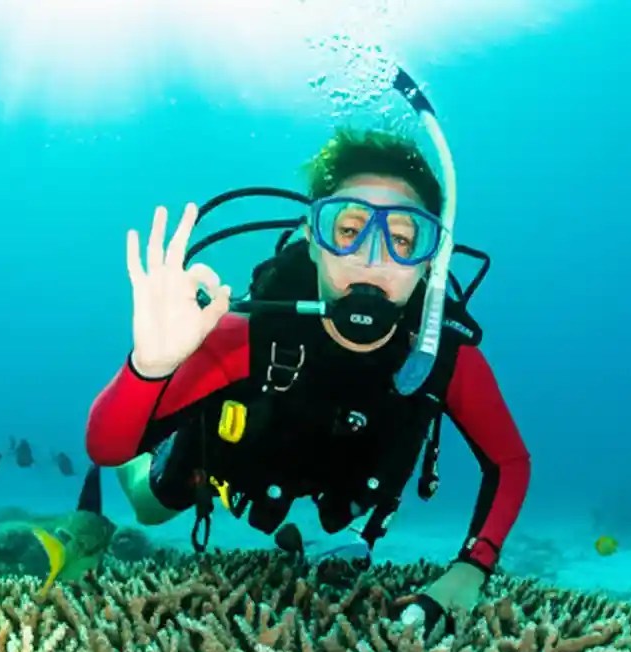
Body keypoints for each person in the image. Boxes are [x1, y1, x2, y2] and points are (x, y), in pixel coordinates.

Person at [85, 128, 530, 623]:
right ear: (313, 241)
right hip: (235, 463)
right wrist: (149, 368)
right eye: (348, 229)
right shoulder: (244, 336)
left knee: (347, 519)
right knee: (151, 506)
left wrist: (473, 566)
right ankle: (157, 454)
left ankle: (304, 528)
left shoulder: (443, 359)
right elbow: (107, 448)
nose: (373, 256)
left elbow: (509, 462)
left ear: (431, 261)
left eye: (403, 238)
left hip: (344, 483)